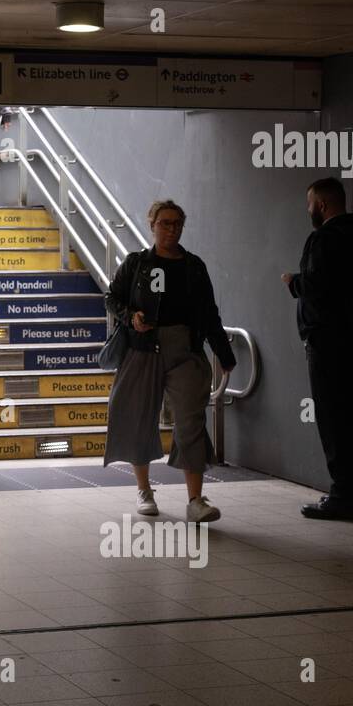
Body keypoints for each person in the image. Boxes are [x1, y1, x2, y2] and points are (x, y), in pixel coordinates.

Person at [104, 200, 236, 523]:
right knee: (137, 416)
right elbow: (112, 297)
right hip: (142, 348)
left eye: (177, 223)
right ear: (152, 225)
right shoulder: (137, 264)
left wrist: (223, 352)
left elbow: (209, 313)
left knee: (191, 421)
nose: (172, 229)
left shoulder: (194, 267)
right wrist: (130, 316)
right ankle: (144, 490)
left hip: (185, 349)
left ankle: (195, 500)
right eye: (165, 223)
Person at [282, 178, 353, 520]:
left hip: (326, 341)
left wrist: (294, 283)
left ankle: (342, 496)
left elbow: (318, 287)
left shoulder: (322, 239)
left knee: (333, 419)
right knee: (352, 415)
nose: (308, 210)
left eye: (310, 204)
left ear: (322, 205)